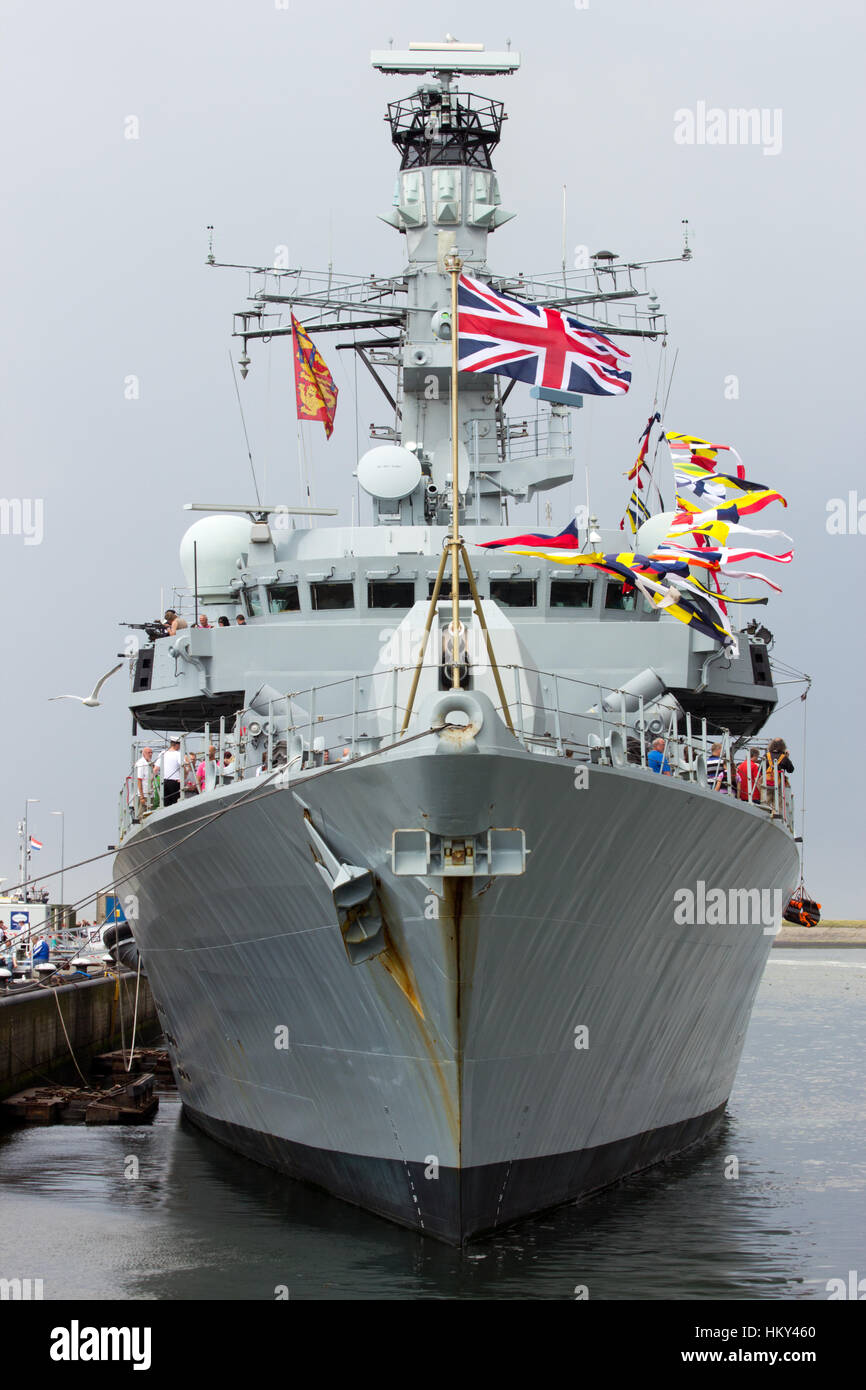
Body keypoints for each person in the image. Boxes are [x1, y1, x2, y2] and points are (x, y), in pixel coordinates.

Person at [159, 738, 182, 806]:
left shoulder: (162, 753)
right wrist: (183, 778)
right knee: (175, 803)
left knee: (165, 803)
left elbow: (156, 769)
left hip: (164, 782)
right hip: (174, 782)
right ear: (176, 745)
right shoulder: (178, 754)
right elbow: (183, 766)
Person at [135, 747, 154, 815]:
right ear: (144, 753)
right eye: (149, 752)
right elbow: (139, 780)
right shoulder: (141, 763)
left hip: (150, 793)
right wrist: (142, 796)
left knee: (149, 813)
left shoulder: (149, 763)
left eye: (151, 752)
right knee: (141, 814)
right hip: (144, 794)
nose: (151, 754)